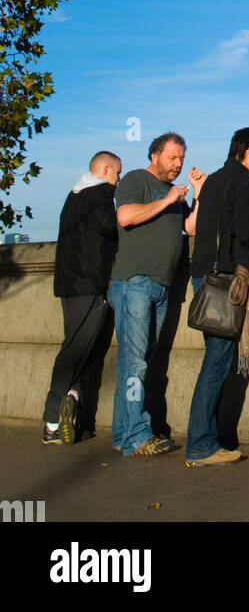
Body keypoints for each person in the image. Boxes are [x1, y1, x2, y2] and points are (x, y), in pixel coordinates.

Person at [108, 132, 205, 457]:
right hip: (133, 282)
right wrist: (166, 200)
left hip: (162, 286)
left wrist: (197, 193)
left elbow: (191, 229)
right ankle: (137, 436)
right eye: (172, 157)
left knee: (137, 363)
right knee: (136, 363)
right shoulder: (136, 180)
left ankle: (124, 435)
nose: (178, 164)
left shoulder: (176, 193)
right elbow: (125, 216)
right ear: (155, 155)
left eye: (181, 158)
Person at [184, 127, 249, 467]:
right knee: (217, 363)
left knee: (214, 360)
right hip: (224, 279)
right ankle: (201, 445)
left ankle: (206, 439)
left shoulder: (215, 181)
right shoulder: (244, 184)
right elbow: (246, 233)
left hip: (202, 274)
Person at [42, 151, 122, 446]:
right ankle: (52, 421)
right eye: (117, 173)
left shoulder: (73, 196)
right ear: (104, 170)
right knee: (77, 350)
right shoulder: (100, 191)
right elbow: (107, 224)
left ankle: (72, 401)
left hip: (69, 284)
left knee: (77, 346)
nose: (118, 180)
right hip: (90, 285)